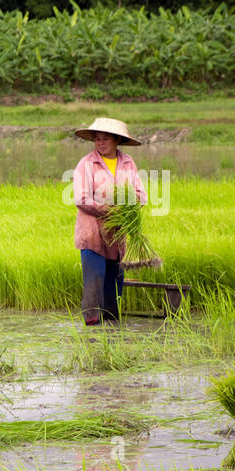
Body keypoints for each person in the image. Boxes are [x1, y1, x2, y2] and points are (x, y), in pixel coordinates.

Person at [71, 118, 147, 325]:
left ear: (117, 140)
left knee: (114, 292)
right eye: (97, 139)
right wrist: (108, 209)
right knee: (94, 290)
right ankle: (93, 338)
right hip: (92, 235)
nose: (100, 142)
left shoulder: (128, 162)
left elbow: (140, 194)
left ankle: (113, 341)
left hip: (117, 237)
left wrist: (126, 210)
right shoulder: (86, 164)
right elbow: (81, 198)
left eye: (105, 139)